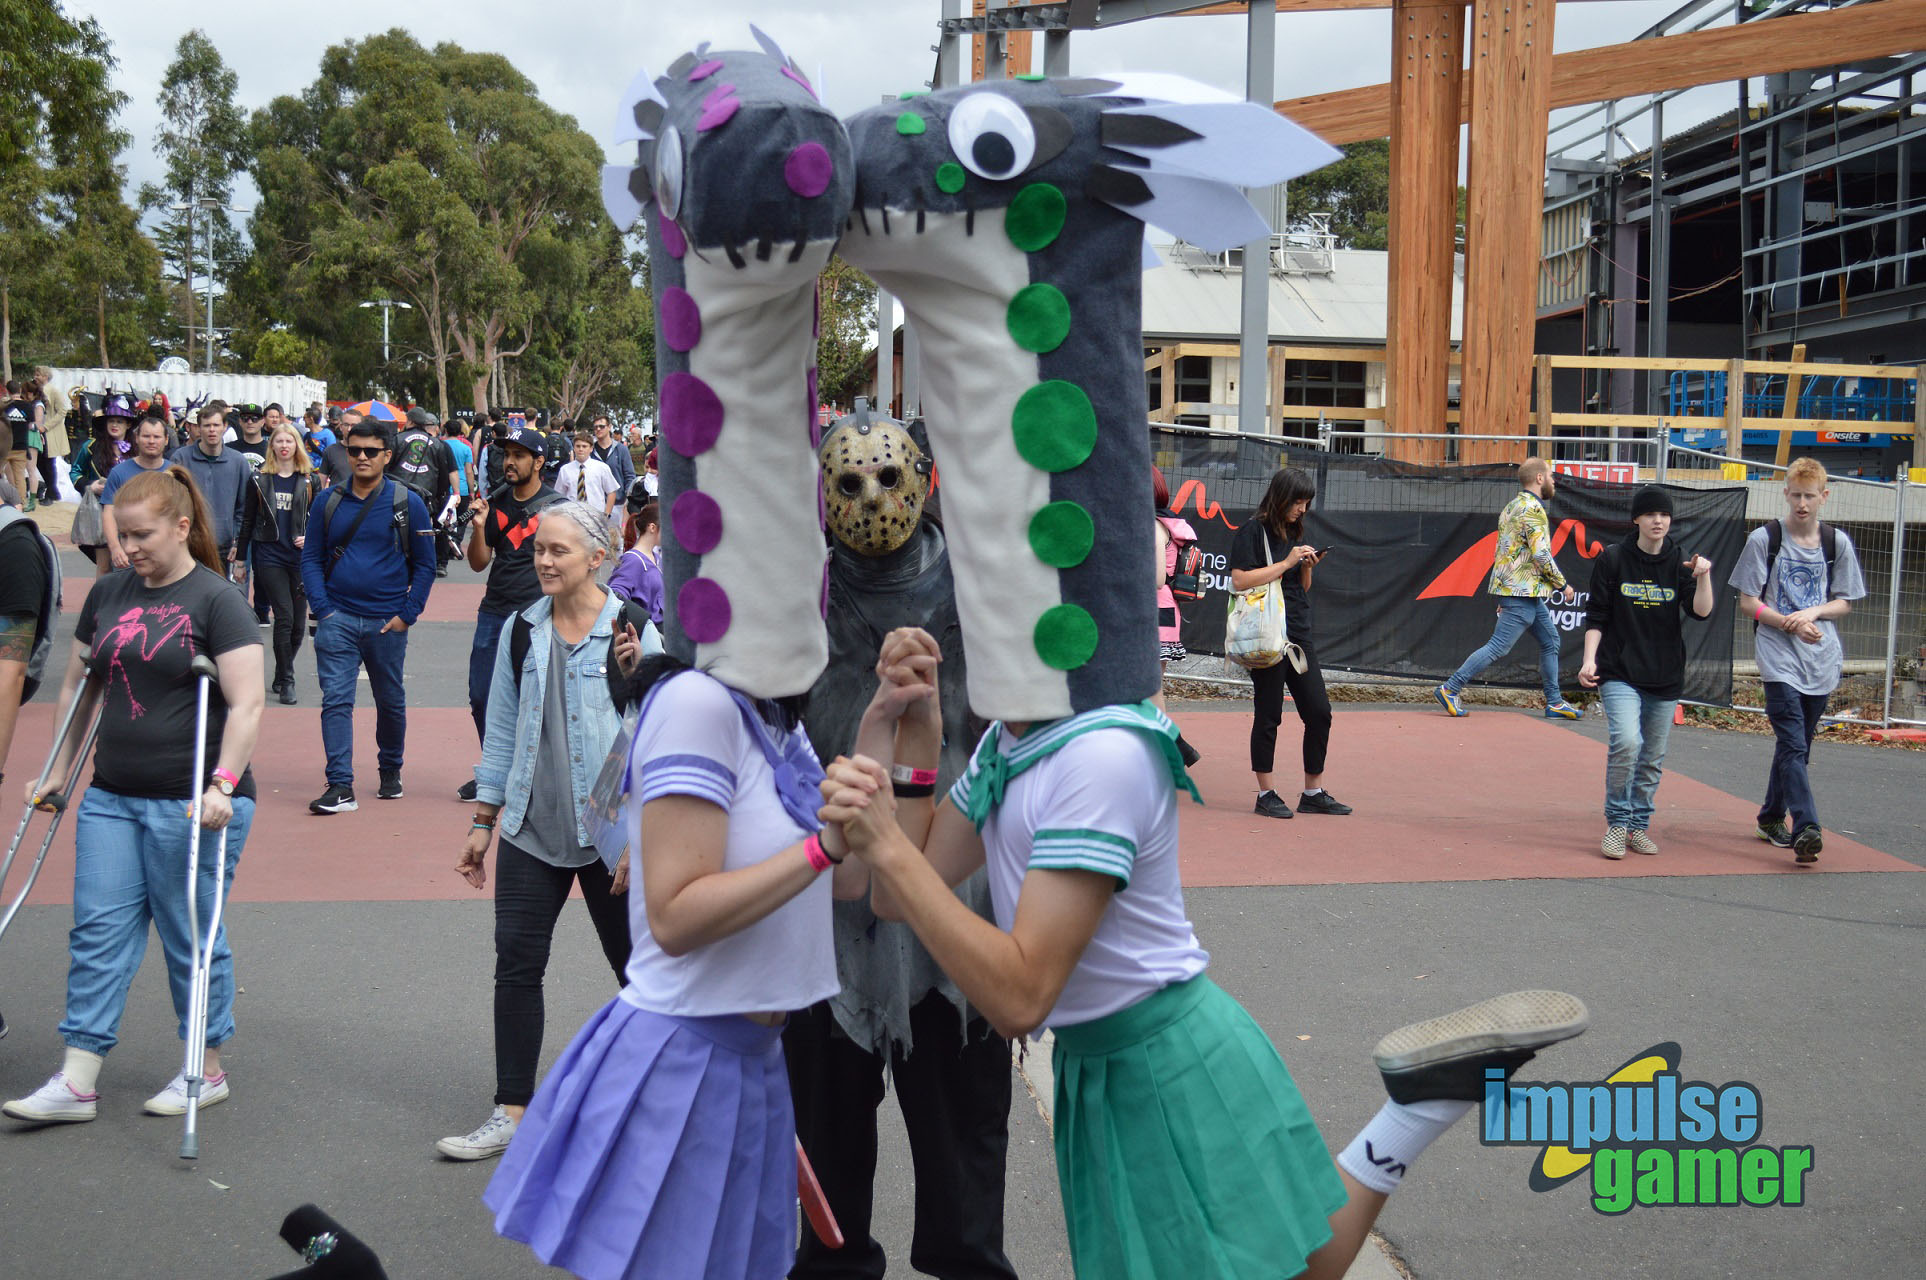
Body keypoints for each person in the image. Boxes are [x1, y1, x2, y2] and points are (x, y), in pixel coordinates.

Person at [819, 628, 1588, 1280]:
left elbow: (1020, 996)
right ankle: (1422, 1101)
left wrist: (884, 839)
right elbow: (896, 892)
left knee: (1296, 1267)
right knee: (1308, 1265)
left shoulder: (1104, 754)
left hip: (1168, 1065)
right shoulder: (1009, 740)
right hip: (1106, 1072)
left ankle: (1419, 1107)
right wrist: (917, 730)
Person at [787, 411, 1017, 1280]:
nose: (872, 501)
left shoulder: (982, 583)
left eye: (889, 479)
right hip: (826, 907)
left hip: (952, 903)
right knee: (829, 1187)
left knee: (964, 1191)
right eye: (849, 484)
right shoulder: (797, 593)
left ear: (923, 477)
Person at [2, 466, 264, 1126]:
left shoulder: (217, 599)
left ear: (180, 528)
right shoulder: (110, 591)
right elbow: (79, 688)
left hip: (192, 799)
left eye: (142, 535)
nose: (129, 549)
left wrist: (222, 785)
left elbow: (248, 702)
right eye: (122, 536)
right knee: (98, 931)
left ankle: (205, 1068)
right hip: (112, 794)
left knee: (189, 935)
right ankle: (77, 1079)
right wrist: (58, 769)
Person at [440, 501, 641, 1162]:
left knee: (640, 975)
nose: (546, 562)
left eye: (559, 550)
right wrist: (482, 823)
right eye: (539, 551)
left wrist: (641, 836)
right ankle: (511, 1109)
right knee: (517, 965)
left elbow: (661, 739)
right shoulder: (521, 630)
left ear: (597, 555)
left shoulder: (633, 631)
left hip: (611, 833)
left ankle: (657, 1105)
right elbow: (502, 732)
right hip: (532, 828)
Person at [1728, 457, 1866, 863]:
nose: (1802, 503)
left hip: (1820, 659)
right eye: (1796, 495)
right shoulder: (1764, 539)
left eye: (1810, 496)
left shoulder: (1835, 543)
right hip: (1777, 659)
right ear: (1785, 494)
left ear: (1824, 497)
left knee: (1798, 746)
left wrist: (1813, 613)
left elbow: (1844, 602)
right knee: (1791, 740)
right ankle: (1806, 825)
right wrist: (1787, 623)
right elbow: (1748, 603)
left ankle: (1770, 817)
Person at [300, 419, 437, 813]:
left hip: (387, 622)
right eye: (354, 450)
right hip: (337, 618)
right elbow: (310, 557)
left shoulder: (407, 502)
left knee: (390, 700)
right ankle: (340, 784)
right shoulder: (329, 501)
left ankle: (390, 769)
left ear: (387, 456)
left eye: (370, 451)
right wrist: (324, 609)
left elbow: (426, 565)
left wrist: (407, 616)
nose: (361, 457)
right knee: (336, 700)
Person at [1576, 486, 1716, 859]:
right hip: (1619, 671)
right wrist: (1589, 660)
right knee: (1627, 742)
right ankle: (1617, 823)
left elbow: (1701, 612)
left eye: (1664, 515)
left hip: (1665, 676)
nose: (1658, 520)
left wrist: (1703, 577)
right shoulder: (1614, 559)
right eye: (1651, 514)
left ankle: (1638, 827)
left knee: (1652, 758)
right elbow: (1596, 617)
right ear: (1636, 519)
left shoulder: (1681, 561)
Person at [1228, 467, 1351, 819]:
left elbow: (1300, 588)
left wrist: (1308, 565)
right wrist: (1286, 562)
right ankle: (1265, 793)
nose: (1303, 509)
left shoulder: (1296, 531)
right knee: (1269, 714)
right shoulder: (1252, 531)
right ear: (1281, 497)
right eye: (1298, 501)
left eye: (1307, 502)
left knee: (1319, 712)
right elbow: (1239, 580)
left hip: (1298, 632)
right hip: (1267, 636)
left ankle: (1313, 791)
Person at [1435, 458, 1583, 721]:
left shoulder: (1511, 507)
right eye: (1550, 475)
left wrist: (1505, 591)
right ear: (1539, 478)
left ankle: (1555, 702)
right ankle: (1450, 688)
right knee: (1498, 647)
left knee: (1551, 641)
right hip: (1522, 593)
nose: (1553, 480)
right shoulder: (1533, 509)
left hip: (1524, 593)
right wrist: (1562, 584)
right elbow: (1540, 553)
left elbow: (1505, 552)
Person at [459, 421, 559, 803]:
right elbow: (478, 563)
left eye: (518, 456)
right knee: (482, 696)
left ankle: (529, 772)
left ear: (539, 462)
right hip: (495, 611)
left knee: (538, 698)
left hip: (540, 613)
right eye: (506, 456)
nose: (509, 463)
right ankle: (496, 770)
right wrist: (480, 528)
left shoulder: (557, 507)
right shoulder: (495, 504)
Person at [235, 422, 324, 705]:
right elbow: (248, 520)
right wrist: (240, 559)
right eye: (279, 441)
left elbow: (321, 519)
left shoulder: (310, 480)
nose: (284, 446)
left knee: (299, 624)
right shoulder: (260, 479)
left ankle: (281, 670)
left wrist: (310, 538)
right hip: (269, 555)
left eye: (290, 441)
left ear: (297, 445)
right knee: (283, 617)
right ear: (271, 446)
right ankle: (288, 680)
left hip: (300, 558)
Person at [1151, 465, 1201, 767]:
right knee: (1152, 685)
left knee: (1149, 687)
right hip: (1166, 611)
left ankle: (1173, 746)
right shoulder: (1166, 523)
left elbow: (1156, 577)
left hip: (1154, 610)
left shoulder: (1152, 526)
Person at [170, 404, 252, 564]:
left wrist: (238, 542)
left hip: (225, 548)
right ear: (199, 428)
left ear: (225, 427)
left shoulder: (238, 462)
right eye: (207, 426)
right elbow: (172, 504)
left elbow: (243, 509)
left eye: (216, 425)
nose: (212, 430)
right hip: (188, 546)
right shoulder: (180, 459)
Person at [100, 414, 175, 568]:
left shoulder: (174, 473)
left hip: (164, 556)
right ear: (137, 438)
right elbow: (109, 512)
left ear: (166, 440)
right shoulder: (119, 472)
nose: (151, 441)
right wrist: (115, 548)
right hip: (128, 556)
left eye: (157, 436)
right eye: (146, 436)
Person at [71, 396, 136, 573]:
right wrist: (89, 486)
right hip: (101, 513)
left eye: (119, 421)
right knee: (104, 566)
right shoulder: (91, 447)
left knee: (130, 564)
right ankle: (102, 600)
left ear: (128, 424)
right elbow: (75, 472)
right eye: (111, 420)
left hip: (131, 513)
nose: (114, 425)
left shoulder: (138, 448)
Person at [606, 492, 662, 625]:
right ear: (652, 527)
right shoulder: (633, 560)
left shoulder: (655, 557)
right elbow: (615, 599)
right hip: (647, 635)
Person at [554, 431, 620, 533]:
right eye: (578, 446)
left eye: (584, 446)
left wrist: (606, 514)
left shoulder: (601, 468)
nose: (581, 449)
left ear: (591, 448)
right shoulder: (565, 470)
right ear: (574, 448)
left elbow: (611, 491)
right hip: (572, 518)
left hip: (596, 518)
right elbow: (559, 495)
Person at [2, 381, 34, 512]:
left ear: (7, 391)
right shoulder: (27, 406)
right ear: (20, 390)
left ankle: (4, 501)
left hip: (5, 446)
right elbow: (31, 426)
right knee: (20, 476)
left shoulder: (5, 406)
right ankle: (21, 502)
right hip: (21, 446)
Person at [587, 414, 636, 493]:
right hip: (595, 501)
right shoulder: (590, 450)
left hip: (618, 502)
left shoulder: (621, 449)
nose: (598, 429)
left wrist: (628, 498)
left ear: (609, 427)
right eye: (595, 427)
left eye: (602, 426)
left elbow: (629, 476)